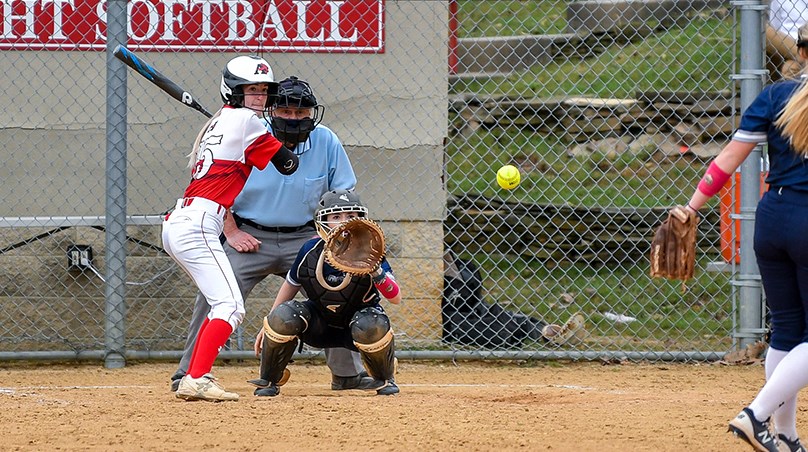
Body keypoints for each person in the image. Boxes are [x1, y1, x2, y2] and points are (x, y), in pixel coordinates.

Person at [169, 76, 375, 393]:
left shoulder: (325, 140)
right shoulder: (246, 134)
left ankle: (347, 373)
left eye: (301, 112)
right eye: (286, 111)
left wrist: (336, 239)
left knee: (338, 287)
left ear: (311, 114)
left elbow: (342, 193)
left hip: (308, 238)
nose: (293, 118)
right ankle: (189, 373)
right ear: (271, 110)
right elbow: (217, 187)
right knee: (215, 296)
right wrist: (232, 231)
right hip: (249, 235)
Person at [675, 60, 808, 450]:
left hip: (771, 220)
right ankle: (755, 414)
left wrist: (692, 207)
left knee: (786, 331)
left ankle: (785, 435)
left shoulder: (775, 95)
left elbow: (728, 160)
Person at [162, 55, 300, 402]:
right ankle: (196, 377)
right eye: (249, 90)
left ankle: (195, 374)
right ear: (233, 92)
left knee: (221, 301)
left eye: (263, 91)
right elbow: (288, 164)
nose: (258, 97)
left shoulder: (220, 121)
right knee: (230, 305)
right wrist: (272, 136)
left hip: (187, 221)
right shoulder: (245, 121)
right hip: (198, 225)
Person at [248, 189, 401, 397]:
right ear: (323, 222)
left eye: (350, 216)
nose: (344, 222)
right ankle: (269, 379)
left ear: (361, 219)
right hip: (319, 325)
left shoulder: (371, 251)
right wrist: (269, 324)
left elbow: (395, 297)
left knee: (371, 322)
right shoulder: (310, 250)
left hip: (357, 326)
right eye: (336, 217)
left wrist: (376, 271)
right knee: (284, 315)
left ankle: (383, 376)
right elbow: (289, 287)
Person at [766, 2, 808, 80]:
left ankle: (804, 54)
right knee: (766, 30)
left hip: (805, 40)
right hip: (788, 47)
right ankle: (802, 53)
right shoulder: (780, 1)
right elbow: (775, 28)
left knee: (790, 67)